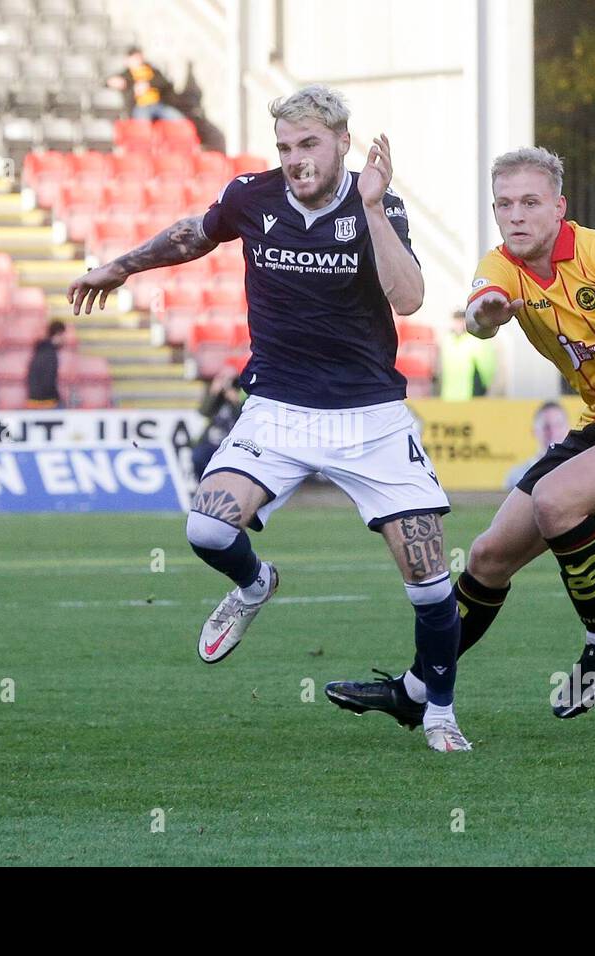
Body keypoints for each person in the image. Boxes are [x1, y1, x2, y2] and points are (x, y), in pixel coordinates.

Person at [68, 85, 471, 752]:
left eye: (309, 144)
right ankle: (256, 583)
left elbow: (410, 297)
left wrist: (371, 207)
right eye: (285, 146)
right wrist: (121, 266)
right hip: (279, 409)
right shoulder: (251, 198)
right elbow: (193, 235)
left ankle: (439, 713)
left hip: (369, 416)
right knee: (204, 528)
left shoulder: (377, 205)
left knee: (429, 579)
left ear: (343, 142)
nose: (296, 159)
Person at [325, 145, 595, 726]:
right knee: (486, 556)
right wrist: (489, 314)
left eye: (531, 202)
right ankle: (414, 689)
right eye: (504, 204)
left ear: (559, 207)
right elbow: (481, 312)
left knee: (558, 500)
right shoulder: (502, 264)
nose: (517, 215)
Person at [191, 364, 244, 480]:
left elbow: (242, 417)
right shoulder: (217, 399)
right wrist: (214, 393)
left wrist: (235, 400)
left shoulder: (241, 397)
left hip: (230, 443)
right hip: (209, 442)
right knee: (197, 458)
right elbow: (204, 412)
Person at [503, 400, 571, 488]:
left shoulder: (578, 471)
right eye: (546, 426)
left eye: (558, 425)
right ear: (534, 431)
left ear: (568, 429)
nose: (553, 432)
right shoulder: (516, 476)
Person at [105, 47, 184, 122]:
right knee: (143, 124)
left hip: (159, 105)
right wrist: (111, 81)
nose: (137, 61)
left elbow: (164, 82)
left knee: (178, 119)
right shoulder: (126, 74)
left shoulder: (152, 70)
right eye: (134, 58)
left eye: (138, 58)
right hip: (140, 107)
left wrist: (148, 84)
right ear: (128, 60)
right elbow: (108, 82)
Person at [438, 308, 496, 400]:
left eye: (461, 321)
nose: (458, 325)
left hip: (469, 395)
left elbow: (486, 367)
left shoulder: (476, 340)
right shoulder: (447, 340)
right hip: (448, 395)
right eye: (456, 321)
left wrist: (484, 386)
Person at [25, 320, 65, 409]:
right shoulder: (49, 354)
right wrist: (55, 397)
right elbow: (48, 379)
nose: (64, 339)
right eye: (63, 336)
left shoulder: (41, 350)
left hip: (34, 397)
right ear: (58, 334)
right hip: (45, 400)